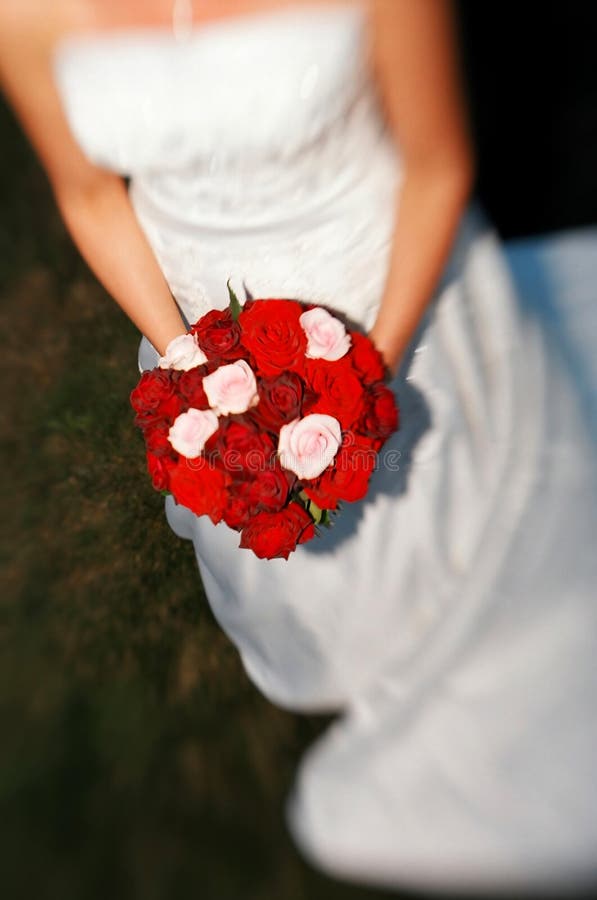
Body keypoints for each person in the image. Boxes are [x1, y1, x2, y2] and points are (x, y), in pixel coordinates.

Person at [1, 0, 596, 894]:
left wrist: (365, 381)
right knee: (272, 524)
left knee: (425, 488)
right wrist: (187, 365)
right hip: (201, 301)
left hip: (377, 267)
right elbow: (88, 196)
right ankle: (334, 638)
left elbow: (436, 167)